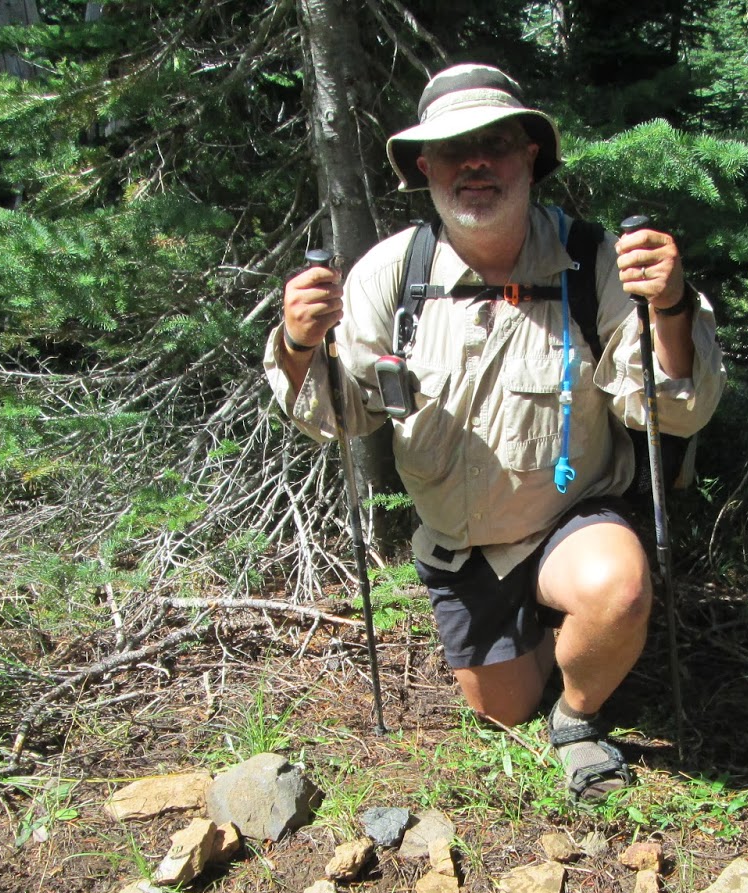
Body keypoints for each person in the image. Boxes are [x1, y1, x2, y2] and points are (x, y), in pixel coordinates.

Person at [265, 64, 724, 801]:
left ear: (530, 156)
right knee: (501, 710)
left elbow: (672, 409)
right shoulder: (392, 273)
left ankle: (578, 715)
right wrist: (296, 345)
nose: (475, 164)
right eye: (453, 149)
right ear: (425, 167)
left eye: (496, 144)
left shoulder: (593, 259)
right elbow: (341, 416)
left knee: (619, 590)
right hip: (462, 542)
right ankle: (550, 636)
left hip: (570, 516)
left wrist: (669, 305)